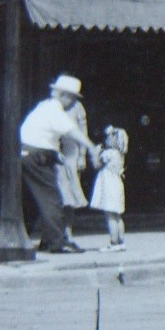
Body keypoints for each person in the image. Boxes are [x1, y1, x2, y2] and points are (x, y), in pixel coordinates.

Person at [19, 74, 98, 254]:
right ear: (65, 96)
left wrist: (55, 153)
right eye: (72, 98)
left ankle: (41, 239)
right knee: (52, 199)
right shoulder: (56, 111)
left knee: (33, 200)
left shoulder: (42, 106)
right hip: (38, 156)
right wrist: (92, 148)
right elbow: (73, 131)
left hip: (27, 153)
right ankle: (57, 241)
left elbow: (39, 132)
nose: (73, 102)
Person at [55, 94, 93, 244]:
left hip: (72, 153)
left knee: (70, 195)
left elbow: (83, 132)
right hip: (56, 150)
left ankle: (68, 232)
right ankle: (54, 232)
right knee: (57, 194)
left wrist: (82, 156)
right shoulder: (54, 105)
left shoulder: (77, 107)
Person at [91, 125, 128, 252]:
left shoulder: (108, 153)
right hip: (117, 184)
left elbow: (96, 165)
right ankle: (121, 241)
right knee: (117, 215)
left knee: (109, 215)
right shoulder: (119, 155)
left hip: (108, 185)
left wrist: (95, 153)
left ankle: (113, 242)